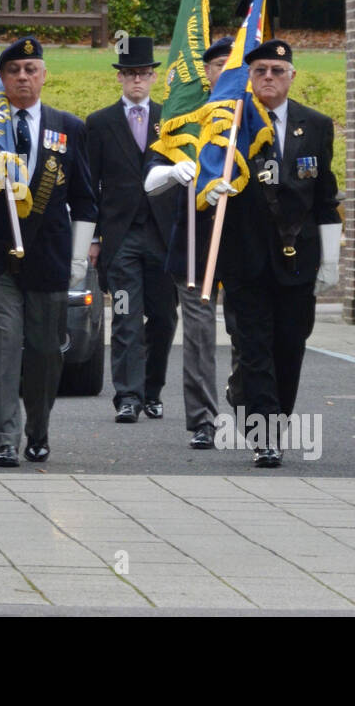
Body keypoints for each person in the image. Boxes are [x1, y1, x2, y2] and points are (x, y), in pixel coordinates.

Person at [0, 36, 97, 468]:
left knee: (43, 352)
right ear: (0, 78)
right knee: (3, 344)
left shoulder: (69, 127)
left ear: (43, 75)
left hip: (49, 257)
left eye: (30, 69)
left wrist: (78, 256)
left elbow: (86, 199)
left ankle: (38, 429)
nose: (22, 77)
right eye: (14, 71)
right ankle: (3, 438)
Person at [202, 39, 342, 467]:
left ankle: (264, 410)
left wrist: (331, 259)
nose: (268, 78)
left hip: (298, 255)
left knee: (290, 344)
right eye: (260, 70)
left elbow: (325, 196)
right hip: (245, 254)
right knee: (254, 342)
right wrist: (212, 188)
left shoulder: (314, 125)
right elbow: (207, 176)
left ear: (292, 76)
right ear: (249, 76)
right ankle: (269, 436)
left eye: (277, 71)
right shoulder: (230, 122)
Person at [144, 36, 233, 450]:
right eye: (216, 64)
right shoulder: (185, 118)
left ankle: (248, 391)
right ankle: (203, 419)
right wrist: (172, 173)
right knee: (199, 333)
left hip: (248, 241)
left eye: (232, 64)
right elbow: (150, 180)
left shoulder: (257, 117)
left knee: (249, 331)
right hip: (197, 242)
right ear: (206, 71)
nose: (224, 71)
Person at [85, 36, 178, 424]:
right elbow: (89, 185)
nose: (137, 80)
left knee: (163, 317)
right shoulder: (100, 123)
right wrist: (92, 238)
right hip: (121, 236)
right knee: (125, 314)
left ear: (153, 77)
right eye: (130, 73)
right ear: (120, 78)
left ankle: (152, 390)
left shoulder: (170, 120)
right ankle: (127, 395)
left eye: (143, 73)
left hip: (162, 235)